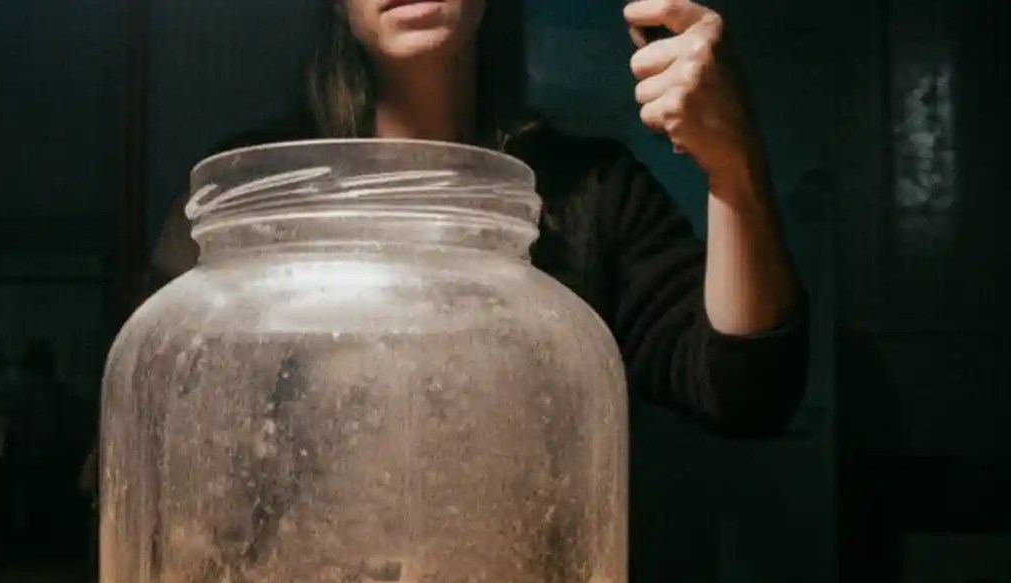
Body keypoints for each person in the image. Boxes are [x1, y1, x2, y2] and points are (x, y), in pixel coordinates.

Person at [147, 0, 807, 436]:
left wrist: (733, 167)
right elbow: (163, 419)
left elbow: (748, 394)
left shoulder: (590, 192)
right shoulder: (253, 196)